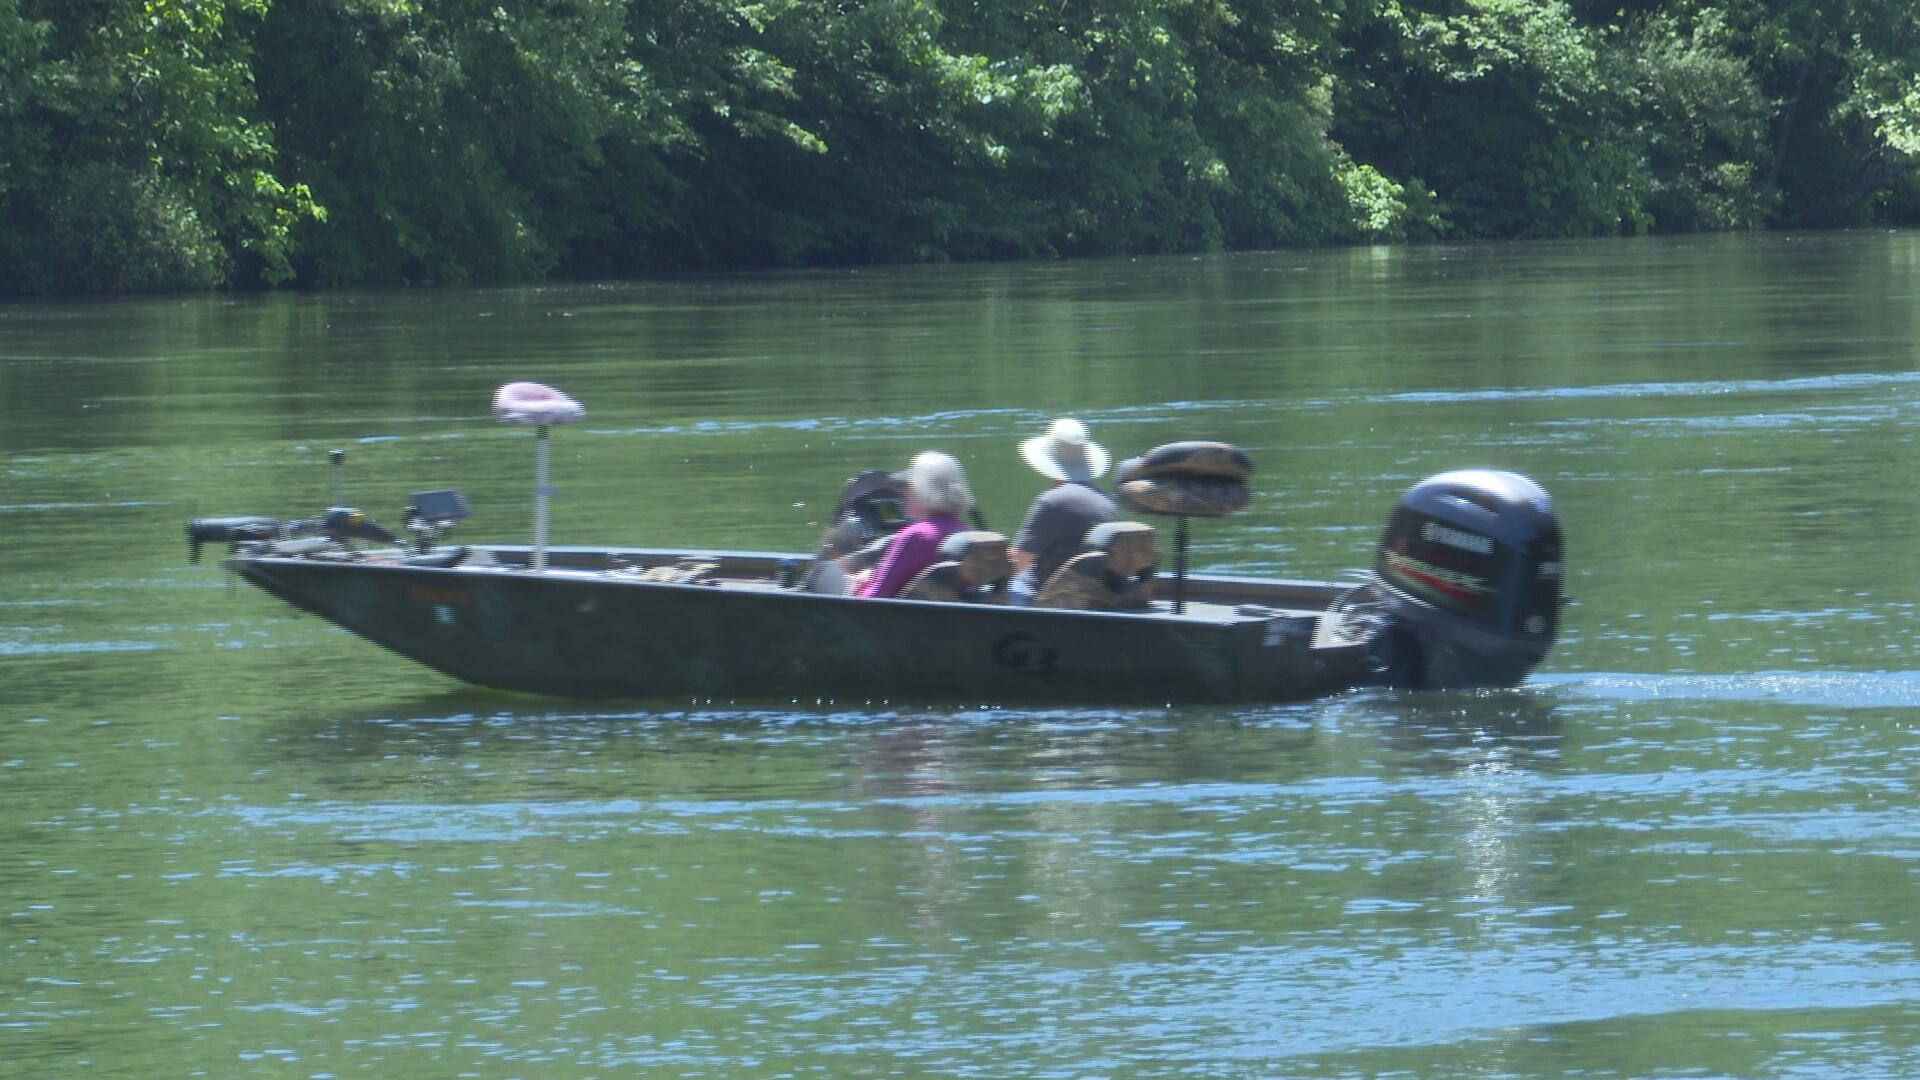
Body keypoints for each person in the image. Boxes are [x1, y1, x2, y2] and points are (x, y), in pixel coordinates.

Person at [1010, 417, 1117, 600]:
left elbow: (1019, 560)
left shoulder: (1052, 500)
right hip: (1094, 590)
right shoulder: (1107, 500)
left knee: (1011, 584)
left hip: (1049, 592)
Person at [851, 451, 975, 598]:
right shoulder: (966, 533)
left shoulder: (916, 536)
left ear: (921, 490)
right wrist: (873, 575)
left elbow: (874, 597)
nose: (904, 492)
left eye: (908, 485)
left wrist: (857, 587)